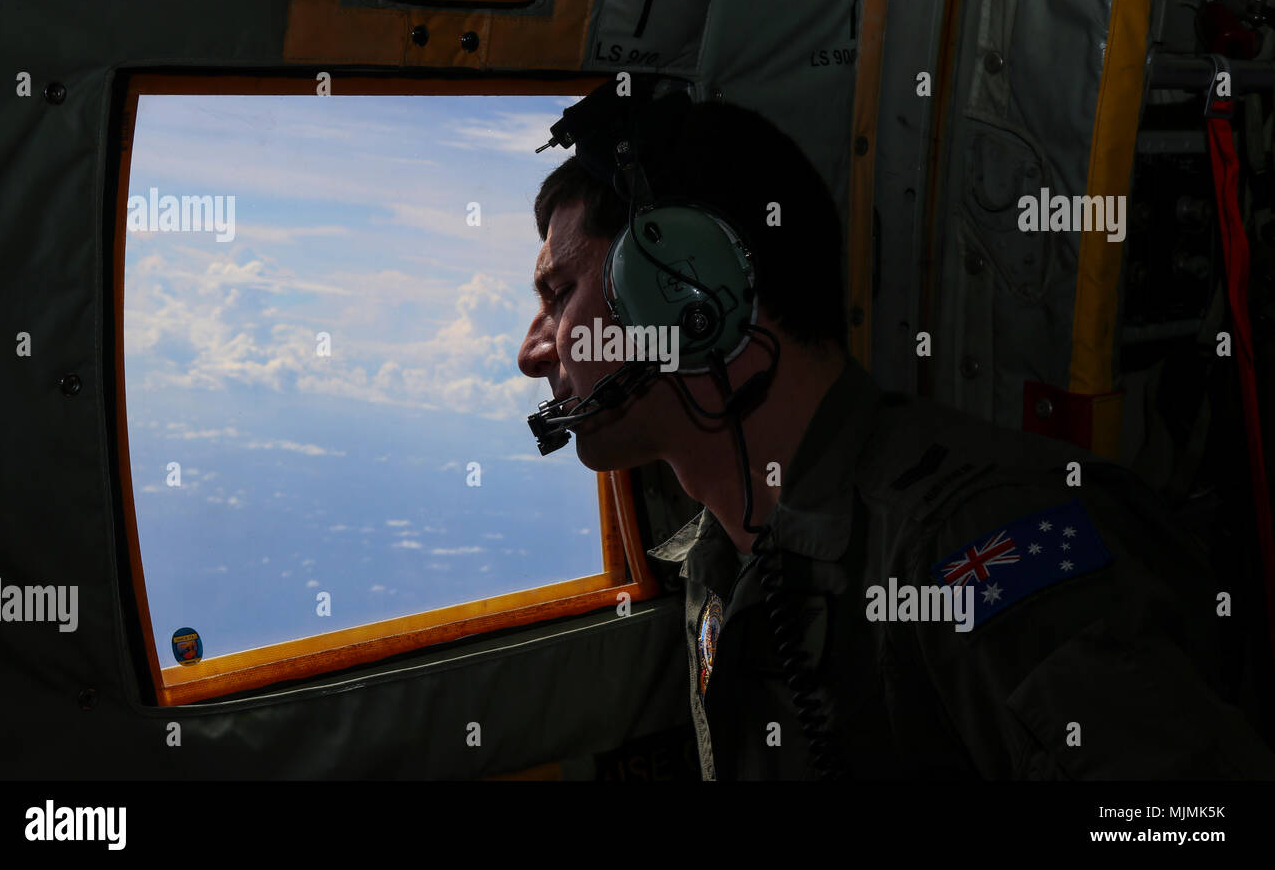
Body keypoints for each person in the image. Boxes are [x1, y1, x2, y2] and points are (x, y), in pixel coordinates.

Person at [516, 92, 1275, 779]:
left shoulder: (984, 545)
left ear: (687, 294)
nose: (532, 350)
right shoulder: (722, 552)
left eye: (559, 292)